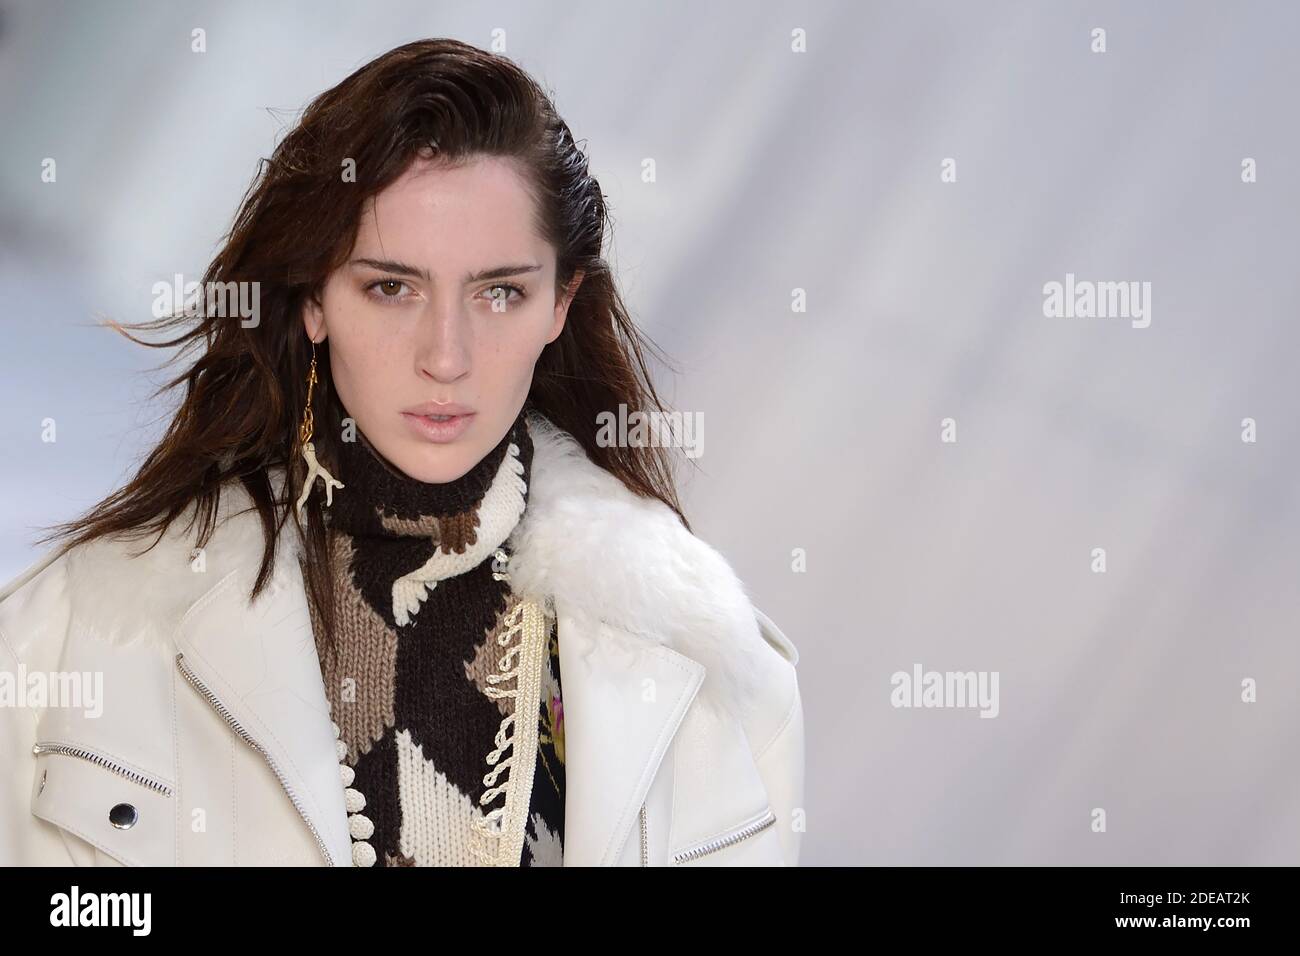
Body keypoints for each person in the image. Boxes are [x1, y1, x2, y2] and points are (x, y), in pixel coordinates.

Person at [0, 38, 803, 867]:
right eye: (391, 288)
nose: (445, 356)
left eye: (500, 292)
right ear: (313, 300)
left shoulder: (710, 670)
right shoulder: (71, 634)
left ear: (560, 304)